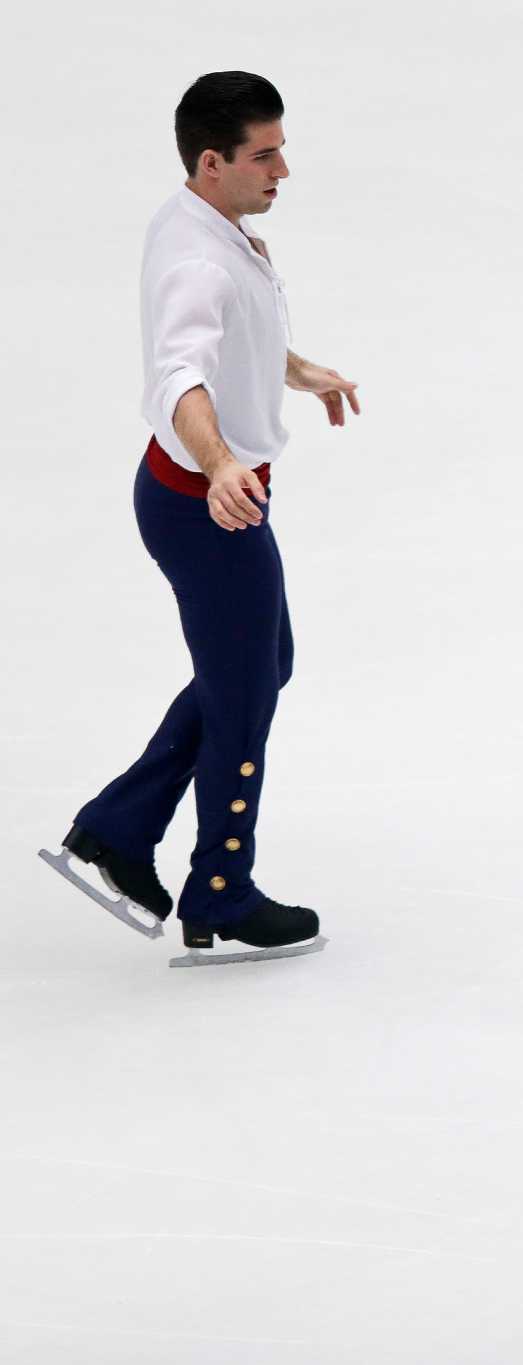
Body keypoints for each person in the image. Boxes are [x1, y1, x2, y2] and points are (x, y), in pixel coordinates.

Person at [38, 71, 358, 967]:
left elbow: (235, 330)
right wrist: (221, 463)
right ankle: (221, 884)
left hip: (206, 496)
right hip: (204, 504)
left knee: (258, 667)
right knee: (249, 684)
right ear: (211, 161)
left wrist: (298, 371)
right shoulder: (196, 258)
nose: (283, 168)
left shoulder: (204, 224)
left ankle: (117, 826)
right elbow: (179, 373)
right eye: (265, 154)